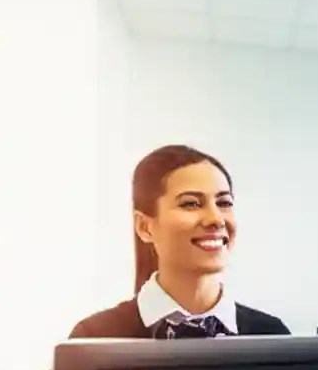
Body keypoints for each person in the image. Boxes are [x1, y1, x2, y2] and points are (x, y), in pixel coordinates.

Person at [69, 144, 288, 340]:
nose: (216, 219)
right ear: (144, 227)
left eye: (224, 202)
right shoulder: (95, 338)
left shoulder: (271, 335)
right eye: (191, 204)